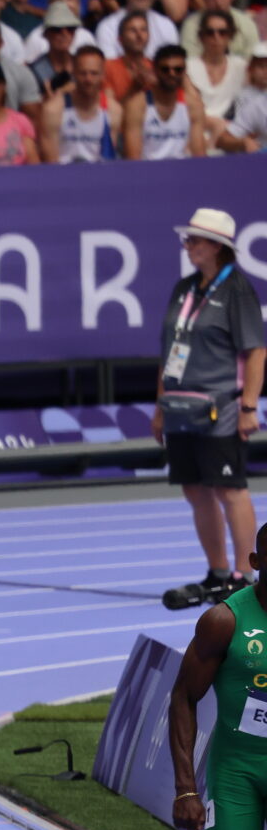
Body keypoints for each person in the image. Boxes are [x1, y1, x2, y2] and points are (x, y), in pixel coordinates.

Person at [155, 208, 266, 606]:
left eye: (195, 240)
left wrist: (250, 406)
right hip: (180, 407)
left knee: (229, 488)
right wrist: (159, 407)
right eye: (187, 239)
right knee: (194, 489)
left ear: (217, 247)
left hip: (222, 406)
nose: (187, 246)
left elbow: (255, 352)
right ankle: (217, 572)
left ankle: (244, 574)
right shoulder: (184, 288)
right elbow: (169, 352)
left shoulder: (237, 290)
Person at [170, 524, 267, 830]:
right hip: (237, 773)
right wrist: (185, 788)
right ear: (256, 563)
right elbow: (183, 697)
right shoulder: (224, 621)